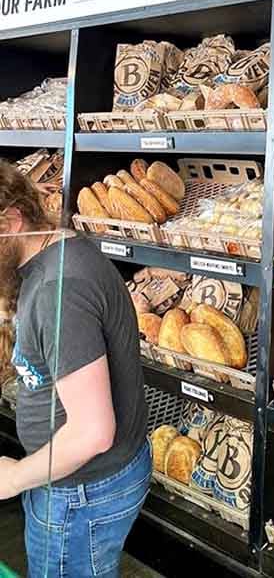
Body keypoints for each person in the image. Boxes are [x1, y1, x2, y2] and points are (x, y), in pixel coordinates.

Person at [0, 161, 150, 577]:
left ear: (12, 221)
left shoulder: (57, 291)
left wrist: (13, 479)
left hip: (80, 494)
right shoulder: (54, 250)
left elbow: (92, 432)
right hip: (80, 482)